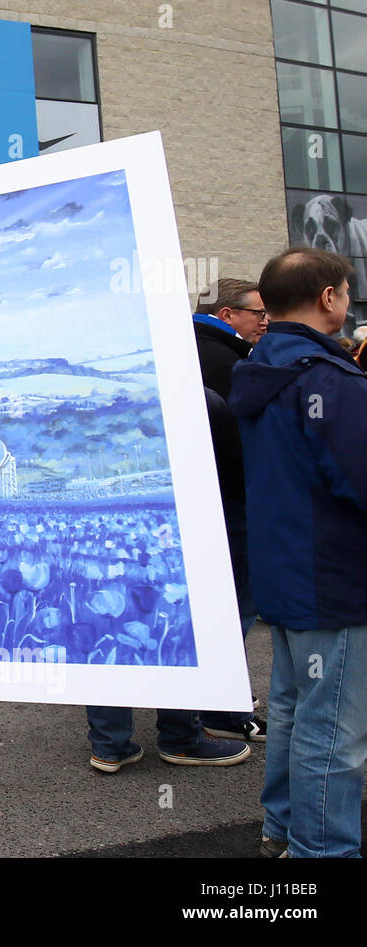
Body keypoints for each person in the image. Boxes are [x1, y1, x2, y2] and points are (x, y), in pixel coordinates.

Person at [230, 246, 367, 858]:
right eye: (345, 290)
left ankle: (281, 830)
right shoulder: (325, 379)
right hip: (331, 578)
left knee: (292, 710)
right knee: (334, 727)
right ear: (328, 298)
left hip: (285, 572)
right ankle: (323, 853)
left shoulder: (259, 369)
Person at [191, 279, 266, 743]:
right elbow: (237, 441)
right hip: (232, 502)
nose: (264, 319)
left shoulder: (198, 350)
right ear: (226, 314)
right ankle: (220, 707)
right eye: (256, 312)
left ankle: (212, 699)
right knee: (236, 603)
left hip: (211, 502)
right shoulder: (223, 360)